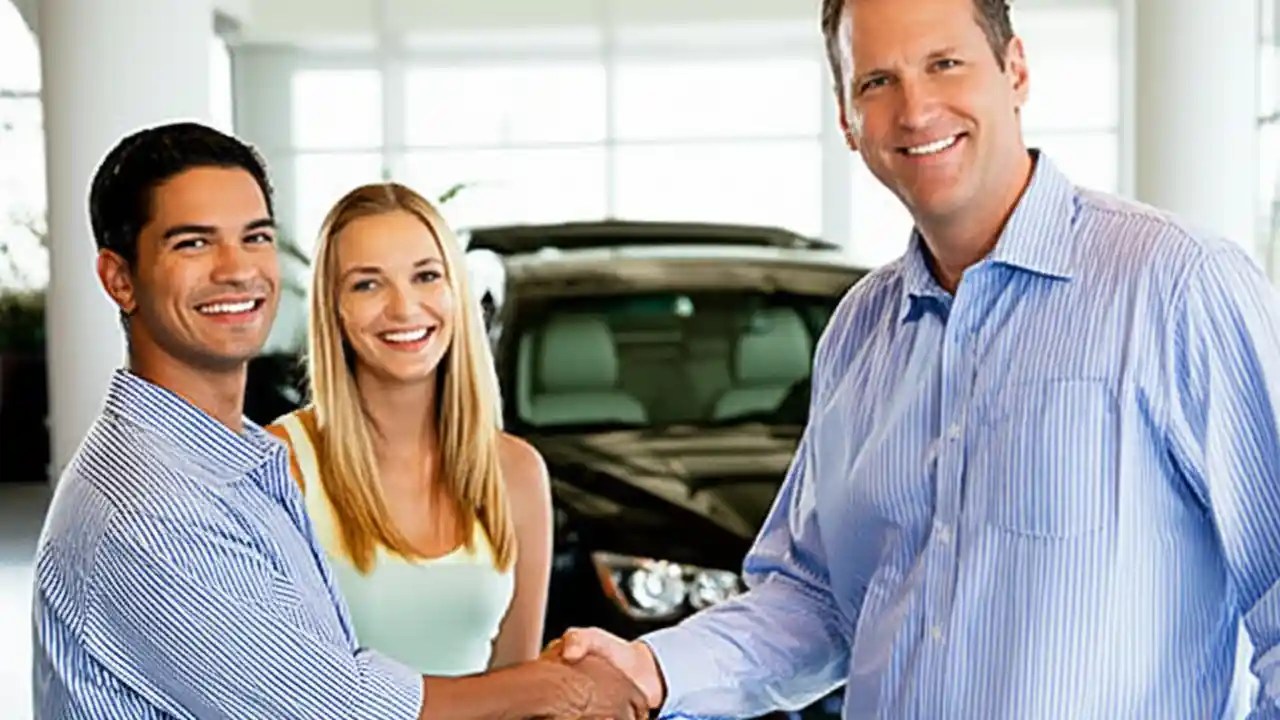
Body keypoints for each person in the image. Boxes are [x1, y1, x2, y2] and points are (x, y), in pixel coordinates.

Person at [554, 0, 1280, 717]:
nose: (915, 109)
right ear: (846, 118)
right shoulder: (859, 331)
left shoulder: (1179, 288)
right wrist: (654, 670)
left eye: (945, 64)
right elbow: (818, 601)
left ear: (1016, 70)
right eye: (878, 81)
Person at [30, 121, 645, 720]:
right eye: (193, 243)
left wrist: (544, 690)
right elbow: (336, 706)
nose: (236, 269)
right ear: (119, 279)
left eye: (255, 237)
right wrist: (556, 688)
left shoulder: (241, 464)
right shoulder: (150, 506)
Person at [264, 182, 550, 677]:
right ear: (333, 307)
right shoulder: (280, 466)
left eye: (426, 276)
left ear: (456, 291)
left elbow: (518, 689)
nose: (403, 308)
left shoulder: (517, 471)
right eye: (367, 284)